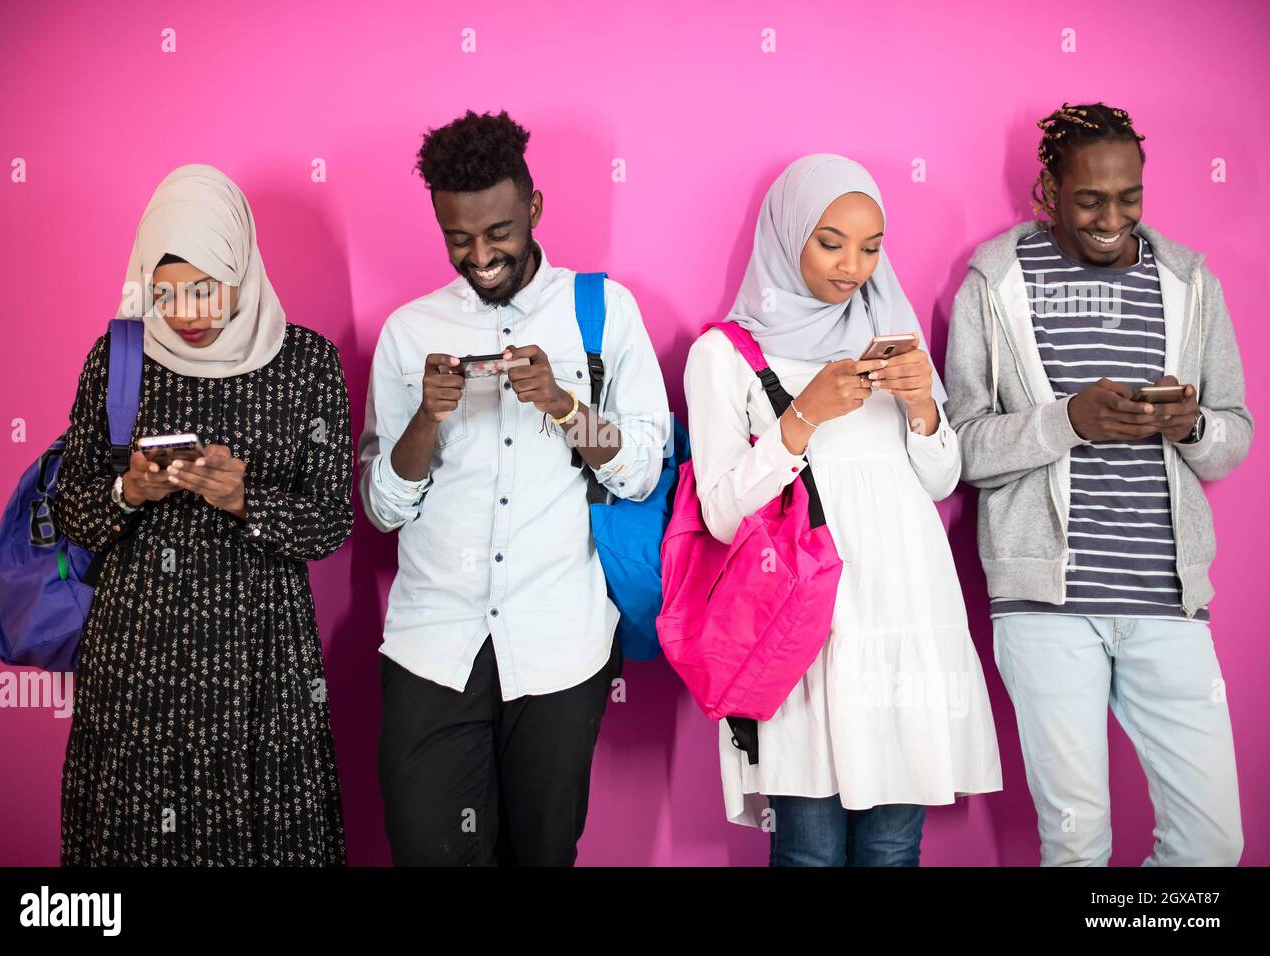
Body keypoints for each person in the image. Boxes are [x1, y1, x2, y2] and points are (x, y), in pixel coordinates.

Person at [943, 103, 1251, 866]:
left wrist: (1191, 428)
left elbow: (1233, 432)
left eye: (1129, 197)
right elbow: (962, 449)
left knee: (1213, 844)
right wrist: (1068, 420)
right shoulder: (996, 280)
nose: (1112, 218)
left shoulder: (1187, 281)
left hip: (1167, 601)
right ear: (1048, 190)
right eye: (1089, 200)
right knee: (1075, 846)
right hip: (1046, 606)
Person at [360, 111, 670, 866]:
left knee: (541, 854)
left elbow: (640, 472)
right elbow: (381, 507)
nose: (481, 255)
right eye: (458, 239)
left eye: (497, 232)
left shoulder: (602, 313)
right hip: (434, 644)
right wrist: (427, 421)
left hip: (559, 643)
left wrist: (564, 405)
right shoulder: (408, 332)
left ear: (533, 208)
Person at [684, 154, 1002, 867]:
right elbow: (722, 515)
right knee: (810, 851)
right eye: (830, 241)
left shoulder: (894, 330)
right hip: (802, 629)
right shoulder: (723, 354)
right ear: (787, 232)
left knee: (893, 847)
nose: (852, 265)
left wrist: (922, 404)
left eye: (870, 246)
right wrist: (802, 418)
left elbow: (941, 481)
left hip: (905, 607)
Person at [55, 164, 352, 865]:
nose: (186, 313)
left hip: (262, 658)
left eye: (203, 288)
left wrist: (245, 499)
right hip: (137, 658)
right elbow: (72, 510)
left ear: (239, 267)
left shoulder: (306, 363)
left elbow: (333, 522)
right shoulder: (120, 357)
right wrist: (129, 492)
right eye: (166, 293)